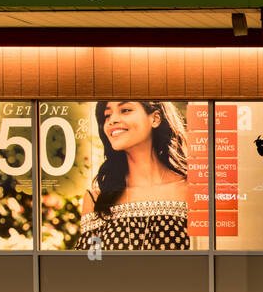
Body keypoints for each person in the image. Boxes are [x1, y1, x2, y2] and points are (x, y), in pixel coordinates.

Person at [76, 100, 191, 251]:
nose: (112, 120)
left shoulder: (191, 191)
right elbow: (90, 263)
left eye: (125, 110)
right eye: (107, 115)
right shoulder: (97, 199)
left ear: (155, 118)